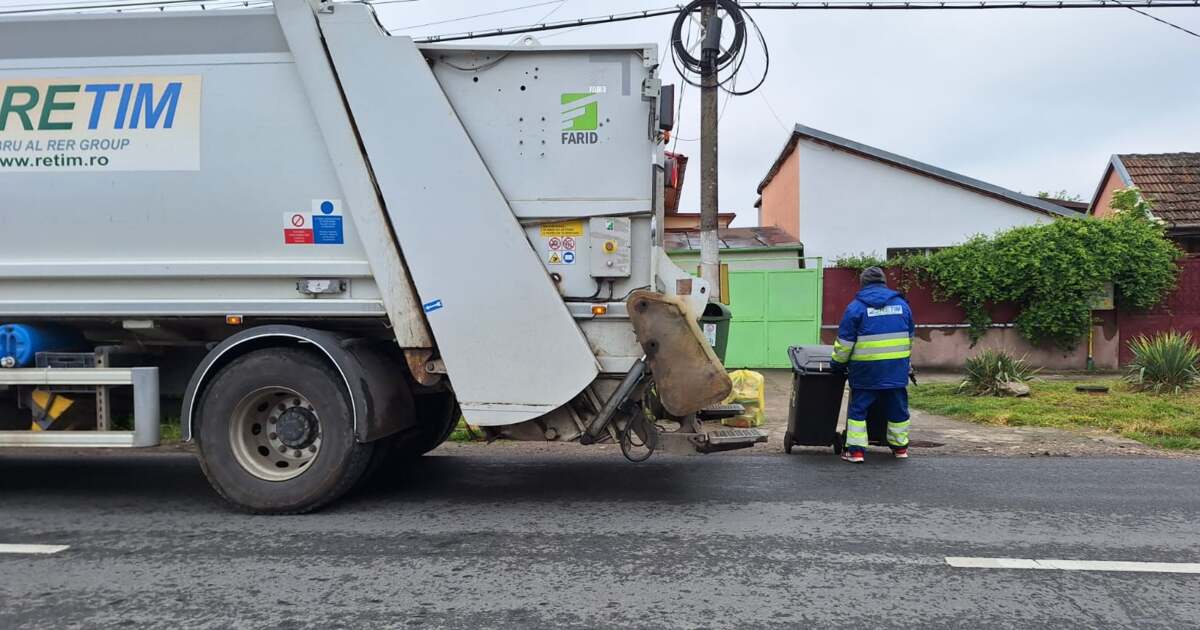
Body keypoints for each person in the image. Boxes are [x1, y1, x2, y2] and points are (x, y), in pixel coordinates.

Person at [830, 266, 914, 463]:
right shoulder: (903, 305)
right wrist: (904, 363)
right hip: (895, 369)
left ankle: (856, 452)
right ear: (884, 282)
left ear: (863, 284)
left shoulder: (856, 308)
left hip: (866, 371)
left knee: (859, 410)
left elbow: (845, 343)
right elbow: (909, 339)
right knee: (898, 409)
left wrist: (837, 364)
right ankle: (900, 448)